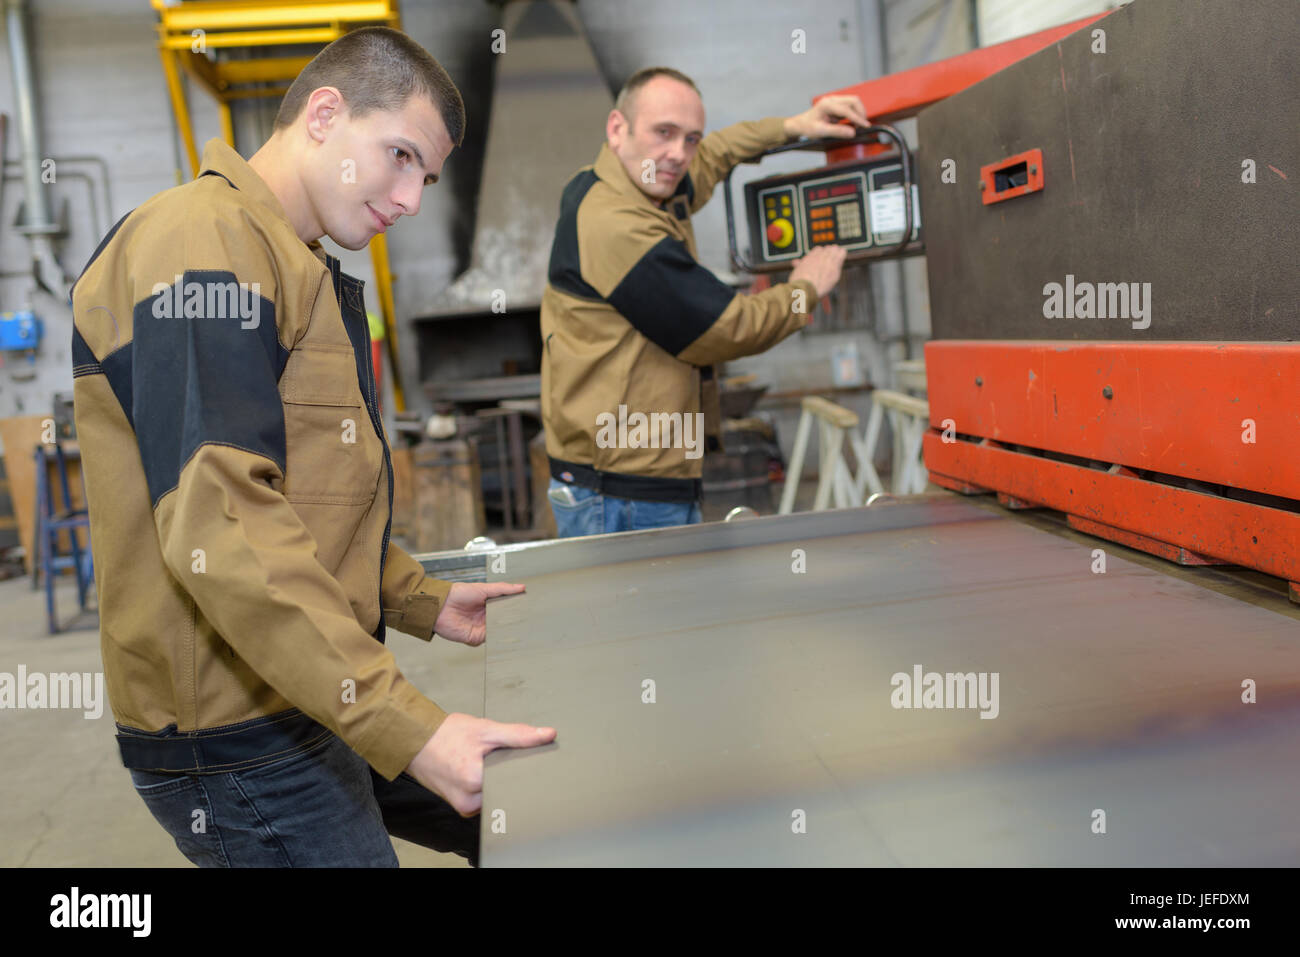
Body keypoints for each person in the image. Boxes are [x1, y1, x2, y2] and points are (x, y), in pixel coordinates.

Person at [70, 26, 553, 868]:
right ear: (324, 113)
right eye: (399, 155)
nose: (409, 200)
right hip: (238, 730)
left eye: (427, 178)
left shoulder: (293, 260)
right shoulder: (201, 241)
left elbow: (312, 496)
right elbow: (223, 519)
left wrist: (416, 596)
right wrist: (406, 723)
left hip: (301, 681)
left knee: (530, 812)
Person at [540, 66, 864, 537]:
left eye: (690, 138)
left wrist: (794, 126)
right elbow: (726, 327)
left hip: (631, 478)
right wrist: (805, 289)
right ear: (617, 128)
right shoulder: (620, 226)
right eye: (664, 133)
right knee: (648, 613)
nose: (678, 154)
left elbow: (714, 156)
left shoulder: (624, 180)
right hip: (624, 493)